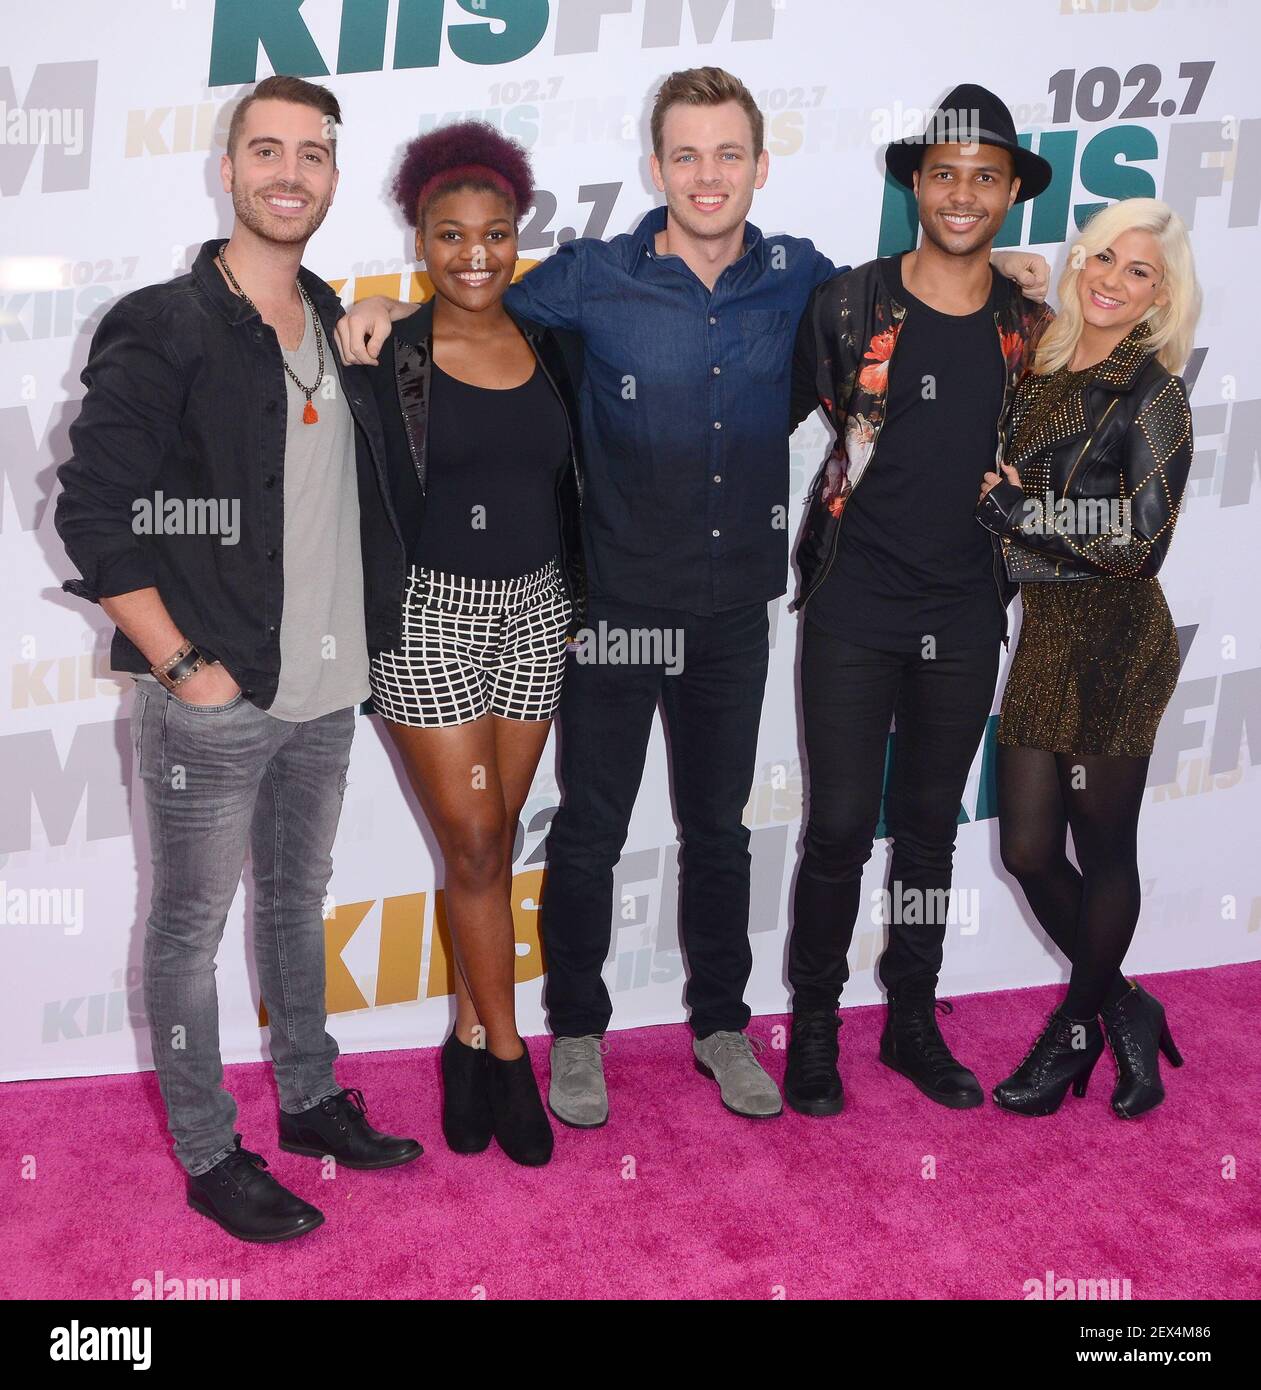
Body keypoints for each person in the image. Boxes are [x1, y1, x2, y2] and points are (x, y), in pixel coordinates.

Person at [337, 69, 1047, 1125]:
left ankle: (722, 1023)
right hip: (613, 606)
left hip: (734, 609)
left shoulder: (807, 281)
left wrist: (1024, 271)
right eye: (685, 155)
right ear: (654, 164)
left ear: (759, 167)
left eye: (727, 155)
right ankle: (574, 1029)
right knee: (588, 828)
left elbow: (919, 294)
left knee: (719, 829)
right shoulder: (586, 279)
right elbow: (469, 300)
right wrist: (383, 303)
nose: (706, 176)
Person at [53, 75, 421, 1243]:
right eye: (266, 150)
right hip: (210, 694)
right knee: (187, 930)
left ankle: (309, 1099)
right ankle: (211, 1151)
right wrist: (180, 665)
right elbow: (93, 513)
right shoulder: (163, 324)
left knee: (298, 902)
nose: (289, 173)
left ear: (331, 176)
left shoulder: (334, 316)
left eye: (312, 155)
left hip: (324, 684)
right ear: (227, 168)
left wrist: (377, 351)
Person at [784, 84, 1055, 1116]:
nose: (962, 193)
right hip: (855, 601)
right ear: (914, 183)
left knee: (931, 829)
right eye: (944, 173)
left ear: (1008, 195)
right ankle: (814, 1025)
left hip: (962, 610)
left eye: (985, 177)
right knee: (841, 825)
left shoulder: (1029, 326)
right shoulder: (848, 304)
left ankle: (909, 1017)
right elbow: (783, 408)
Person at [366, 121, 586, 1166]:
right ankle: (508, 1053)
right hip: (427, 616)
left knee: (494, 843)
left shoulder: (552, 346)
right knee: (474, 841)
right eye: (449, 234)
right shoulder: (388, 350)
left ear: (518, 237)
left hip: (539, 609)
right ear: (419, 240)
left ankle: (459, 1035)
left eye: (494, 233)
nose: (474, 254)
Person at [975, 197, 1198, 1118]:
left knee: (1103, 849)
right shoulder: (1040, 362)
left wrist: (1020, 516)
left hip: (1117, 642)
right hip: (1048, 635)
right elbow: (975, 266)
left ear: (1159, 296)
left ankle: (1072, 1031)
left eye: (1136, 270)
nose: (1110, 280)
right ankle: (1125, 1005)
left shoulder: (1156, 396)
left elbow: (1139, 543)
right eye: (1100, 258)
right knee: (1027, 850)